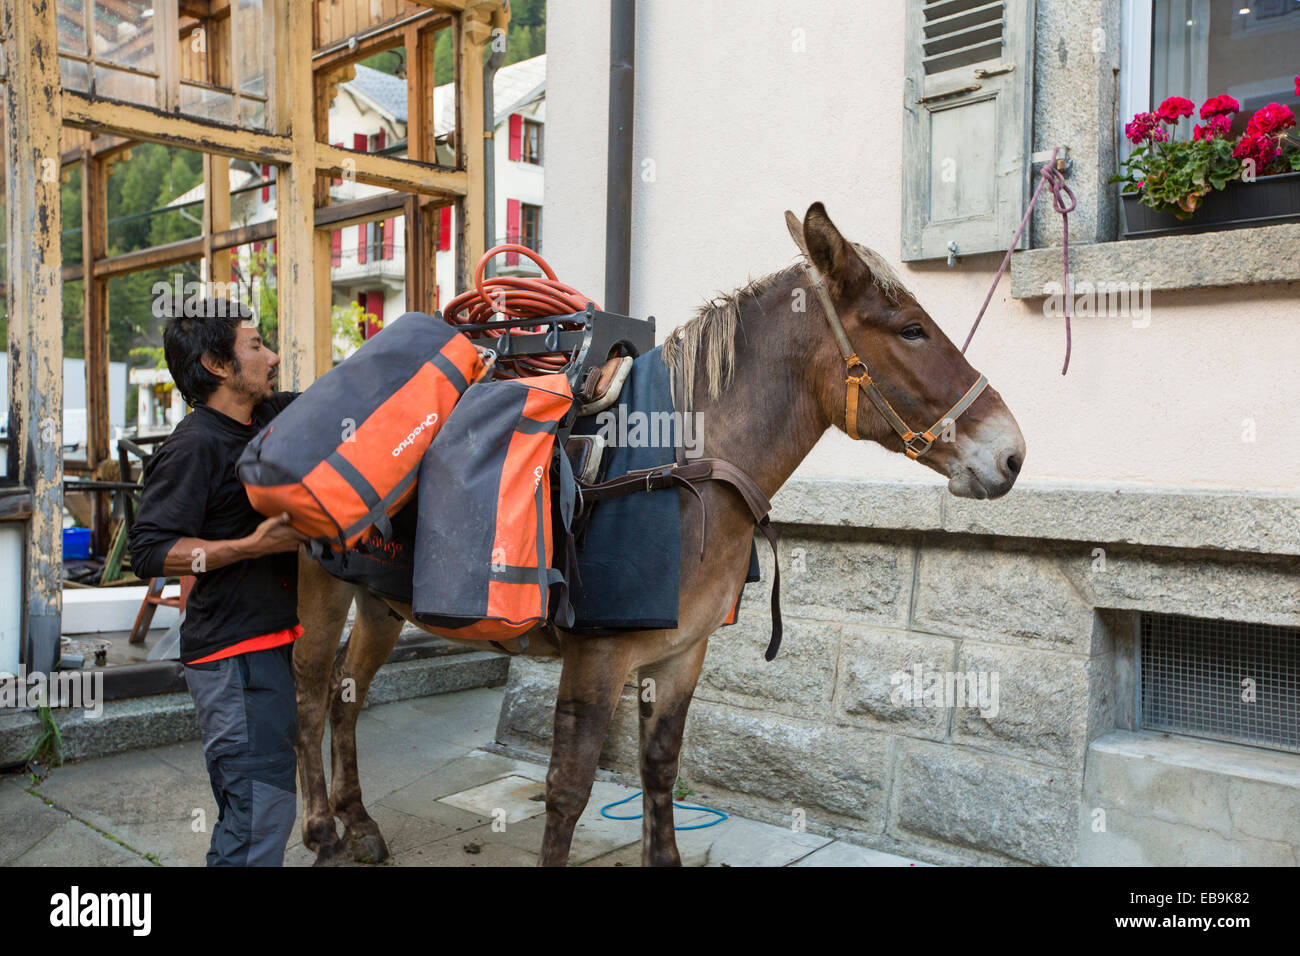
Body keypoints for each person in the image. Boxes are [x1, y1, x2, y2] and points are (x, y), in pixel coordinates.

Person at [128, 296, 307, 867]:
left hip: (270, 646)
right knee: (257, 817)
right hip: (231, 660)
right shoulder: (194, 446)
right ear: (217, 365)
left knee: (262, 808)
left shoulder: (268, 418)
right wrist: (248, 548)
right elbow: (151, 551)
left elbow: (346, 403)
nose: (272, 356)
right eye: (256, 346)